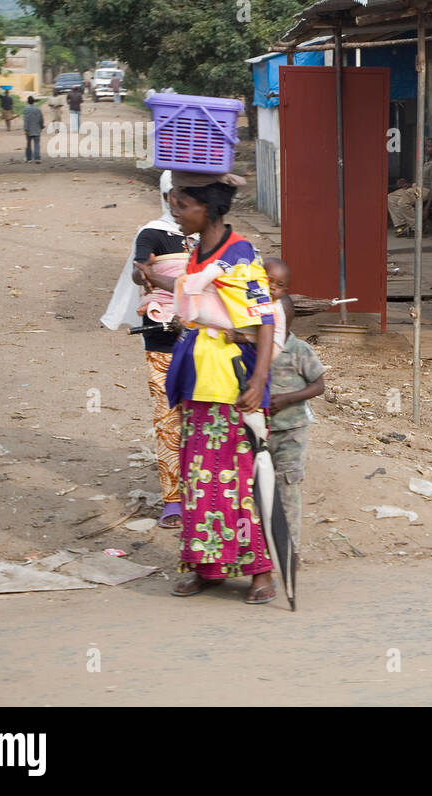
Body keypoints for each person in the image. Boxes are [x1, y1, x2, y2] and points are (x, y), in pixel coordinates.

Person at [165, 171, 280, 604]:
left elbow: (263, 320)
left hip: (233, 385)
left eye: (182, 205)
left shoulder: (240, 254)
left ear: (206, 209)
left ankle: (260, 573)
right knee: (201, 482)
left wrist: (259, 380)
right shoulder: (199, 250)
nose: (176, 213)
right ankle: (206, 565)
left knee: (241, 483)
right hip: (198, 382)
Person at [101, 172, 191, 528]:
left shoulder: (210, 235)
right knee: (168, 418)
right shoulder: (153, 232)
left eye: (190, 195)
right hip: (164, 333)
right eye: (176, 195)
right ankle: (173, 499)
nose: (181, 202)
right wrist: (145, 275)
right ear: (166, 197)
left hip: (205, 333)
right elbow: (141, 270)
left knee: (203, 416)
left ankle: (204, 491)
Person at [263, 258, 325, 560]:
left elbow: (319, 385)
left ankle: (290, 554)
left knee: (288, 491)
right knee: (260, 493)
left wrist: (288, 398)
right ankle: (264, 551)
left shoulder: (299, 350)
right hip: (262, 433)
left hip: (292, 433)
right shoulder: (254, 348)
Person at [388, 137, 432, 236]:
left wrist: (426, 208)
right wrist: (409, 184)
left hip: (425, 191)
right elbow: (422, 180)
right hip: (416, 187)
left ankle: (417, 227)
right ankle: (403, 225)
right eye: (425, 146)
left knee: (403, 202)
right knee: (391, 198)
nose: (426, 148)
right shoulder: (427, 161)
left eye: (429, 146)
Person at [22, 96, 44, 162]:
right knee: (37, 143)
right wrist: (41, 126)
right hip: (37, 129)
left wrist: (26, 129)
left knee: (28, 144)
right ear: (34, 101)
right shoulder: (38, 109)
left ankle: (29, 158)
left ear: (28, 101)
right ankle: (37, 158)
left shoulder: (26, 109)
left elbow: (26, 120)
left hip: (29, 129)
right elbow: (41, 119)